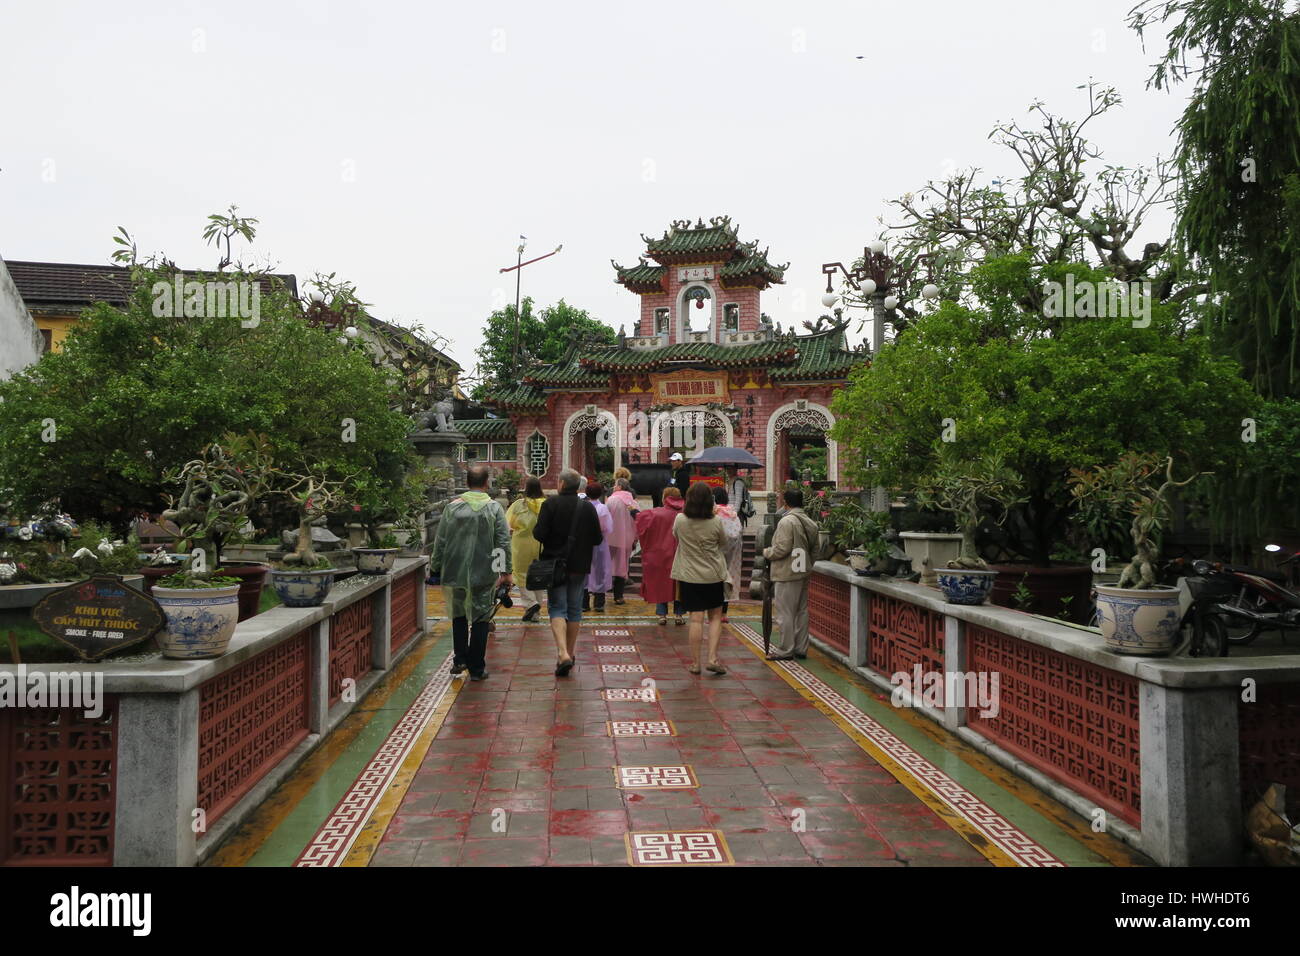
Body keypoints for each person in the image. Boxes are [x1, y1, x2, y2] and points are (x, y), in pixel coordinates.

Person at [429, 464, 511, 680]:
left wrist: (435, 567)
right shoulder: (494, 508)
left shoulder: (452, 507)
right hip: (485, 570)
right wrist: (505, 571)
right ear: (486, 483)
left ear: (466, 483)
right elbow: (502, 542)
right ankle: (476, 668)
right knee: (481, 616)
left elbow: (441, 540)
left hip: (455, 569)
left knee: (458, 615)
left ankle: (460, 659)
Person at [534, 467, 602, 676]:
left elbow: (539, 534)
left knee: (557, 608)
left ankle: (562, 652)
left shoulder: (550, 504)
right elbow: (598, 539)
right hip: (579, 566)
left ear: (561, 484)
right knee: (574, 609)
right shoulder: (588, 508)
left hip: (555, 566)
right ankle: (569, 654)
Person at [671, 481, 731, 675]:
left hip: (689, 575)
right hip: (713, 574)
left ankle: (695, 663)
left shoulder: (680, 519)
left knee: (695, 619)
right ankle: (712, 658)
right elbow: (723, 542)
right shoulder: (715, 521)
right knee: (715, 618)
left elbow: (675, 537)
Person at [763, 487, 820, 661]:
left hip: (787, 571)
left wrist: (767, 552)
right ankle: (801, 648)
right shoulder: (810, 522)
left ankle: (785, 649)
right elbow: (816, 549)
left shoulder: (787, 522)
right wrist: (807, 564)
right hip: (802, 569)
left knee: (785, 612)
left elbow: (782, 549)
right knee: (801, 611)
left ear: (785, 503)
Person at [635, 485, 685, 625]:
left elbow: (640, 525)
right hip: (682, 555)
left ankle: (662, 615)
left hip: (660, 555)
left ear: (664, 498)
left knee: (661, 583)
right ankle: (679, 615)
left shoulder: (655, 513)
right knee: (680, 585)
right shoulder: (687, 513)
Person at [505, 475, 545, 621]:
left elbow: (507, 524)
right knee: (539, 577)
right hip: (540, 545)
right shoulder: (546, 504)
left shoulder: (519, 505)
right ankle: (535, 614)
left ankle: (531, 603)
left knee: (521, 575)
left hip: (521, 546)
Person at [713, 487, 743, 623]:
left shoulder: (715, 513)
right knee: (727, 581)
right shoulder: (733, 513)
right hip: (731, 553)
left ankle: (714, 614)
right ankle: (724, 614)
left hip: (716, 553)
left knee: (715, 583)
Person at [606, 477, 638, 605]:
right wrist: (635, 539)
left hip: (610, 539)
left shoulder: (612, 500)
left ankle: (600, 596)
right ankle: (618, 596)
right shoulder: (633, 503)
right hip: (626, 540)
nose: (613, 487)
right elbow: (638, 522)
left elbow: (605, 518)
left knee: (607, 565)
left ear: (619, 486)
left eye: (615, 485)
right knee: (622, 566)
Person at [582, 480, 614, 612]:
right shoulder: (602, 508)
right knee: (600, 571)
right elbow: (609, 528)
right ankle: (599, 602)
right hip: (600, 543)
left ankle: (584, 603)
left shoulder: (582, 507)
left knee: (584, 571)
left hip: (584, 543)